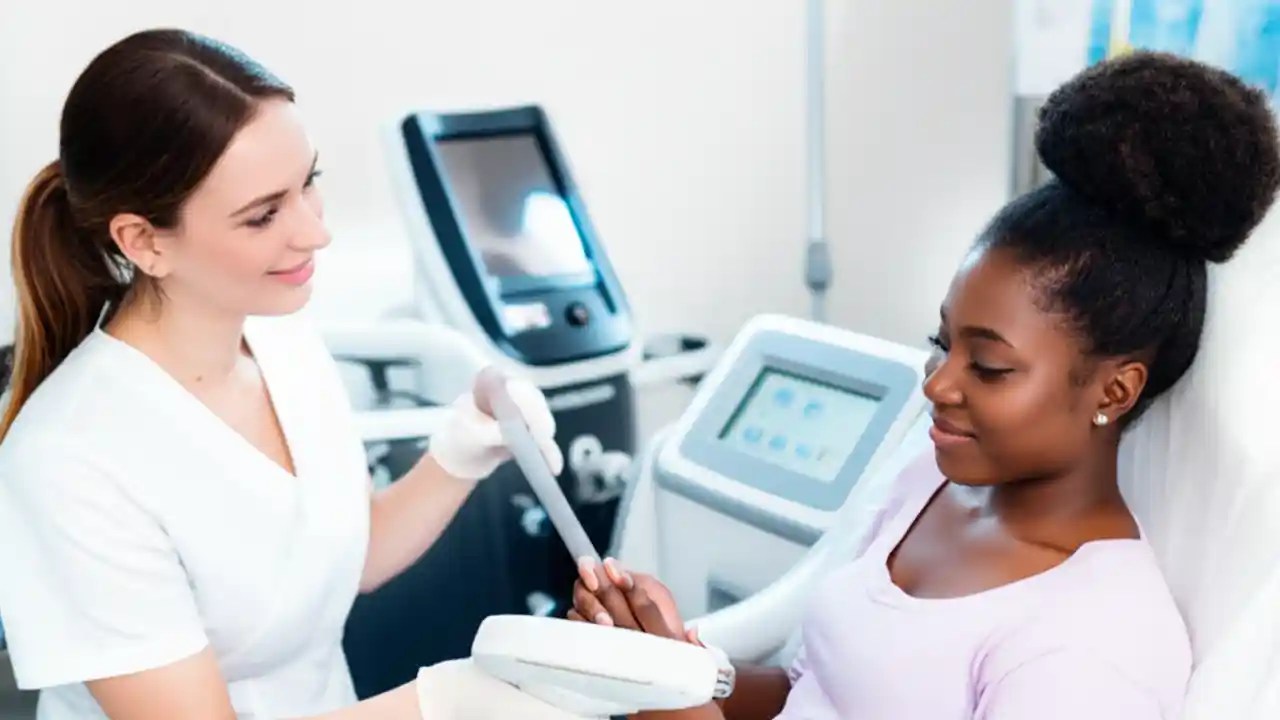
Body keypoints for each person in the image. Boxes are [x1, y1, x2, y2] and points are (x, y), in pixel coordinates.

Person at [570, 51, 1280, 719]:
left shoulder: (1096, 640)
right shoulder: (931, 486)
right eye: (941, 344)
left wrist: (679, 709)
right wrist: (675, 663)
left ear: (1115, 391)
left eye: (990, 366)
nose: (938, 385)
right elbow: (809, 689)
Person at [0, 29, 573, 720]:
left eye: (310, 184)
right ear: (144, 241)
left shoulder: (281, 337)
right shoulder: (69, 459)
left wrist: (460, 454)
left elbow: (345, 560)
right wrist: (443, 703)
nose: (313, 232)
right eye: (264, 215)